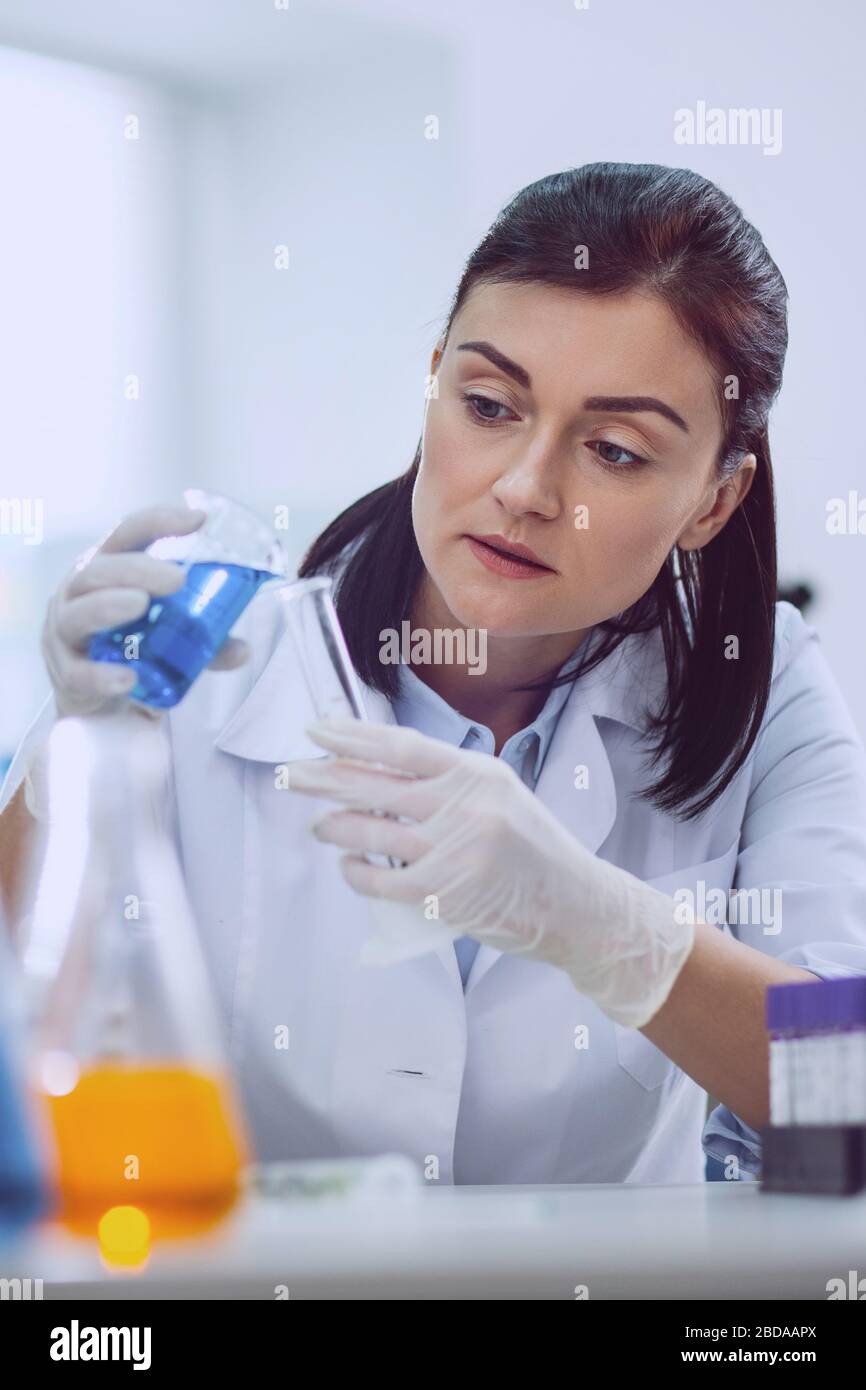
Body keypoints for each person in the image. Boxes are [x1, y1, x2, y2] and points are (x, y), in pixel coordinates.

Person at [2, 162, 865, 1184]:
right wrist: (72, 758)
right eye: (489, 404)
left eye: (616, 451)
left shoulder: (762, 689)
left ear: (713, 502)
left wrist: (610, 931)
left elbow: (843, 1097)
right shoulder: (209, 665)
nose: (522, 488)